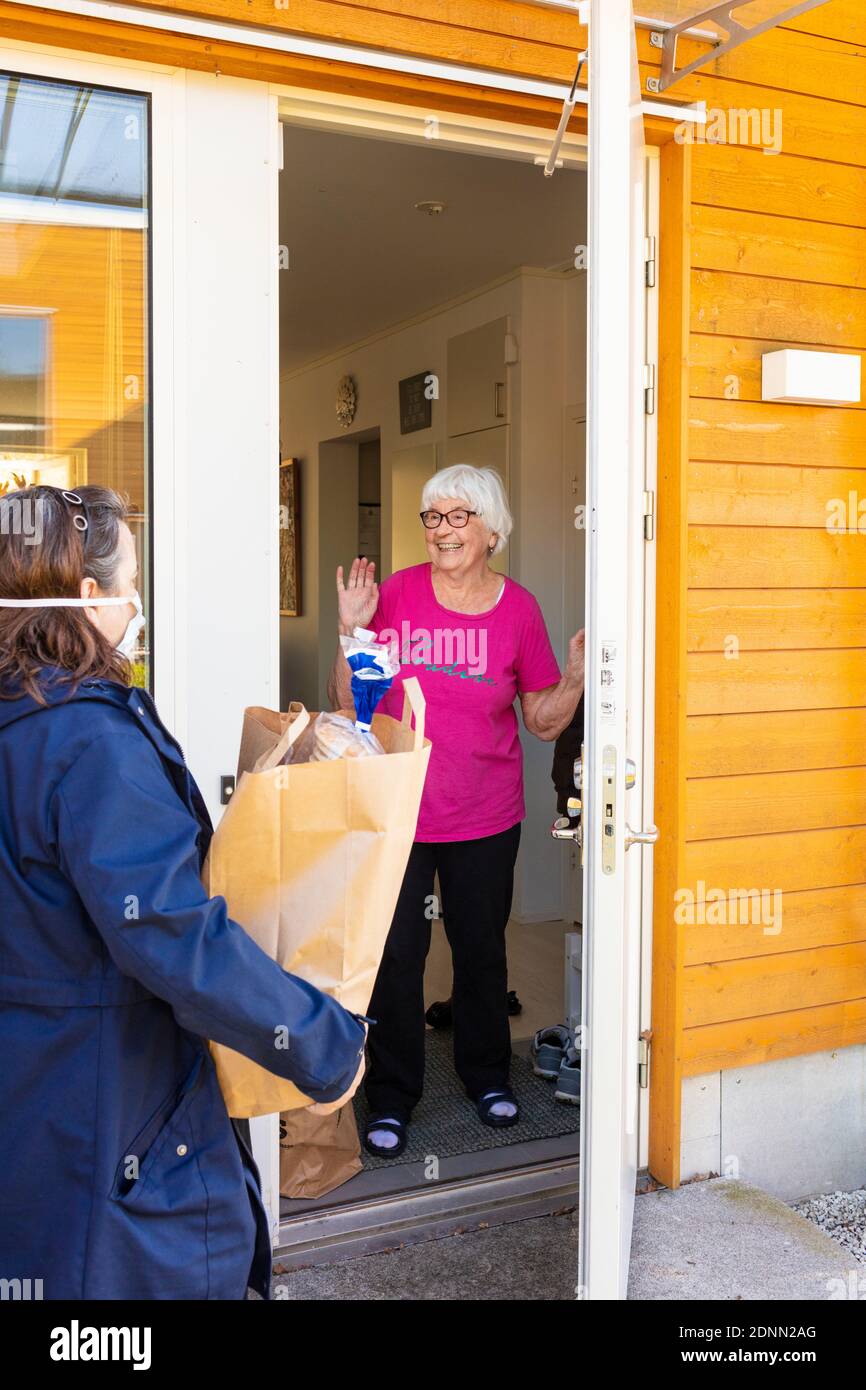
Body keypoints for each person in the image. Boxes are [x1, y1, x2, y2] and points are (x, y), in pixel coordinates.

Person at [0, 485, 367, 1301]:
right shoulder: (88, 739)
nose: (137, 604)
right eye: (131, 582)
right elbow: (169, 934)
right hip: (113, 1113)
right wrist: (323, 1041)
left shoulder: (23, 717)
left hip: (34, 1106)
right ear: (87, 596)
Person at [328, 464, 584, 1157]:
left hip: (486, 815)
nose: (441, 530)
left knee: (481, 954)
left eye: (456, 516)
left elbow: (542, 721)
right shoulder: (399, 595)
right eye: (431, 517)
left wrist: (582, 676)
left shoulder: (519, 610)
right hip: (402, 812)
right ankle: (391, 1096)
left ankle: (486, 1078)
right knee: (398, 957)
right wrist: (353, 635)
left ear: (490, 528)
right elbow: (356, 708)